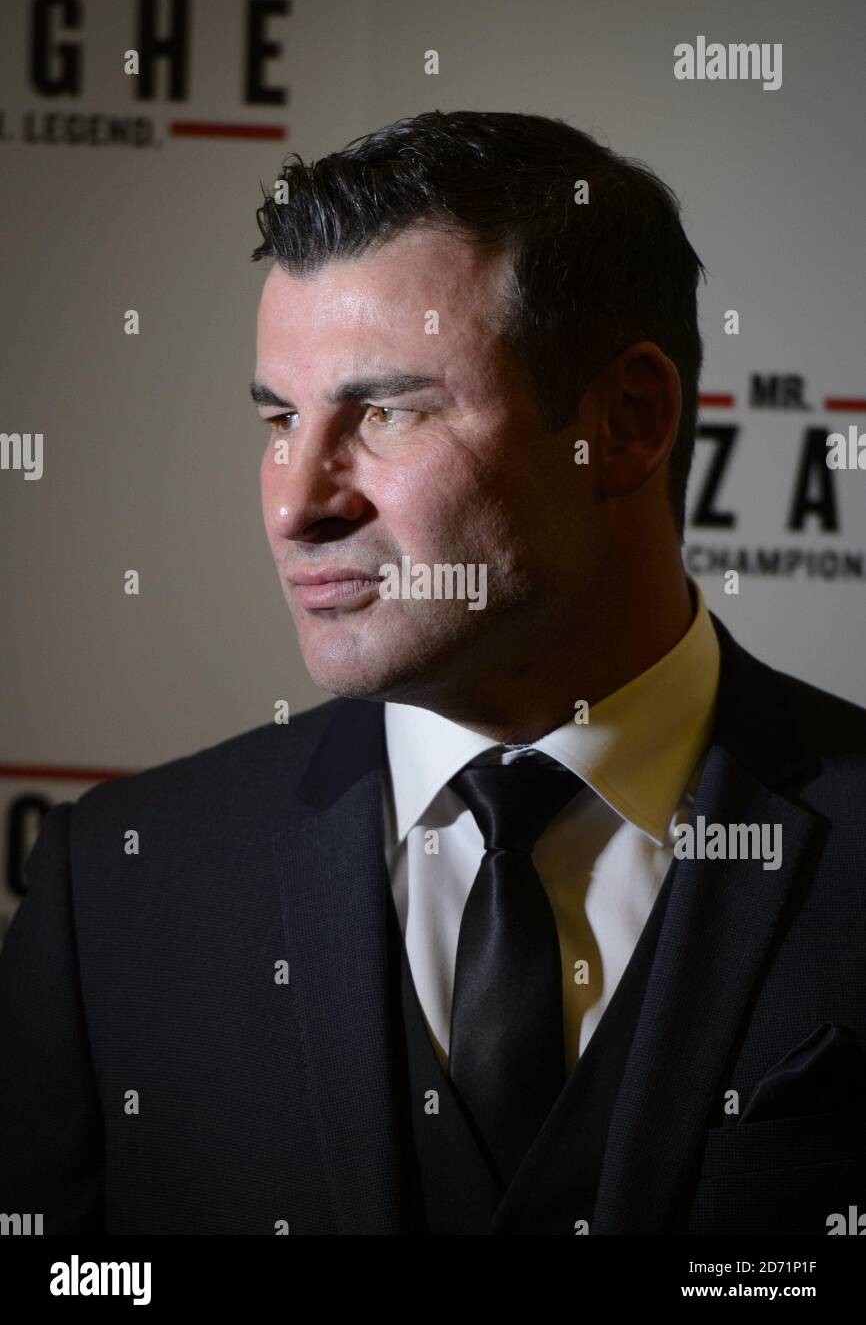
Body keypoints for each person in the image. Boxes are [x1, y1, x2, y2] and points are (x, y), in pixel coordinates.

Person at [2, 110, 865, 1236]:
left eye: (389, 412)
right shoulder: (116, 889)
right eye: (279, 419)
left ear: (625, 422)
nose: (295, 501)